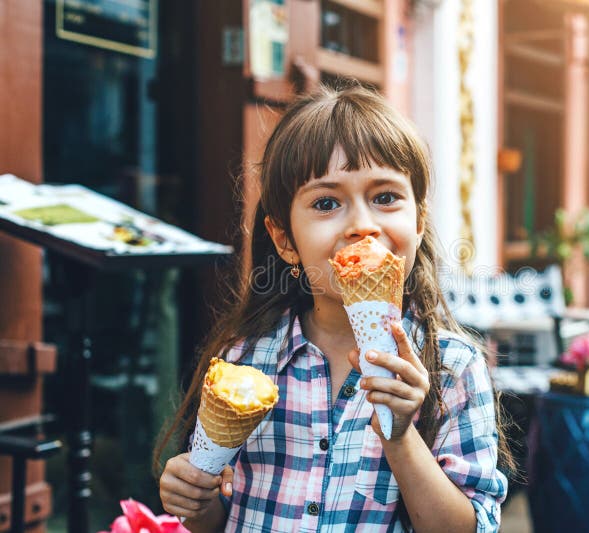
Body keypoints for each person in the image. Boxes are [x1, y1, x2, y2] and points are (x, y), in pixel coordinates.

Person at [154, 83, 511, 532]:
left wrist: (400, 437)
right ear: (285, 240)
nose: (362, 225)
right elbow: (219, 521)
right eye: (327, 203)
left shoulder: (451, 369)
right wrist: (195, 498)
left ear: (419, 222)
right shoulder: (246, 363)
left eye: (385, 197)